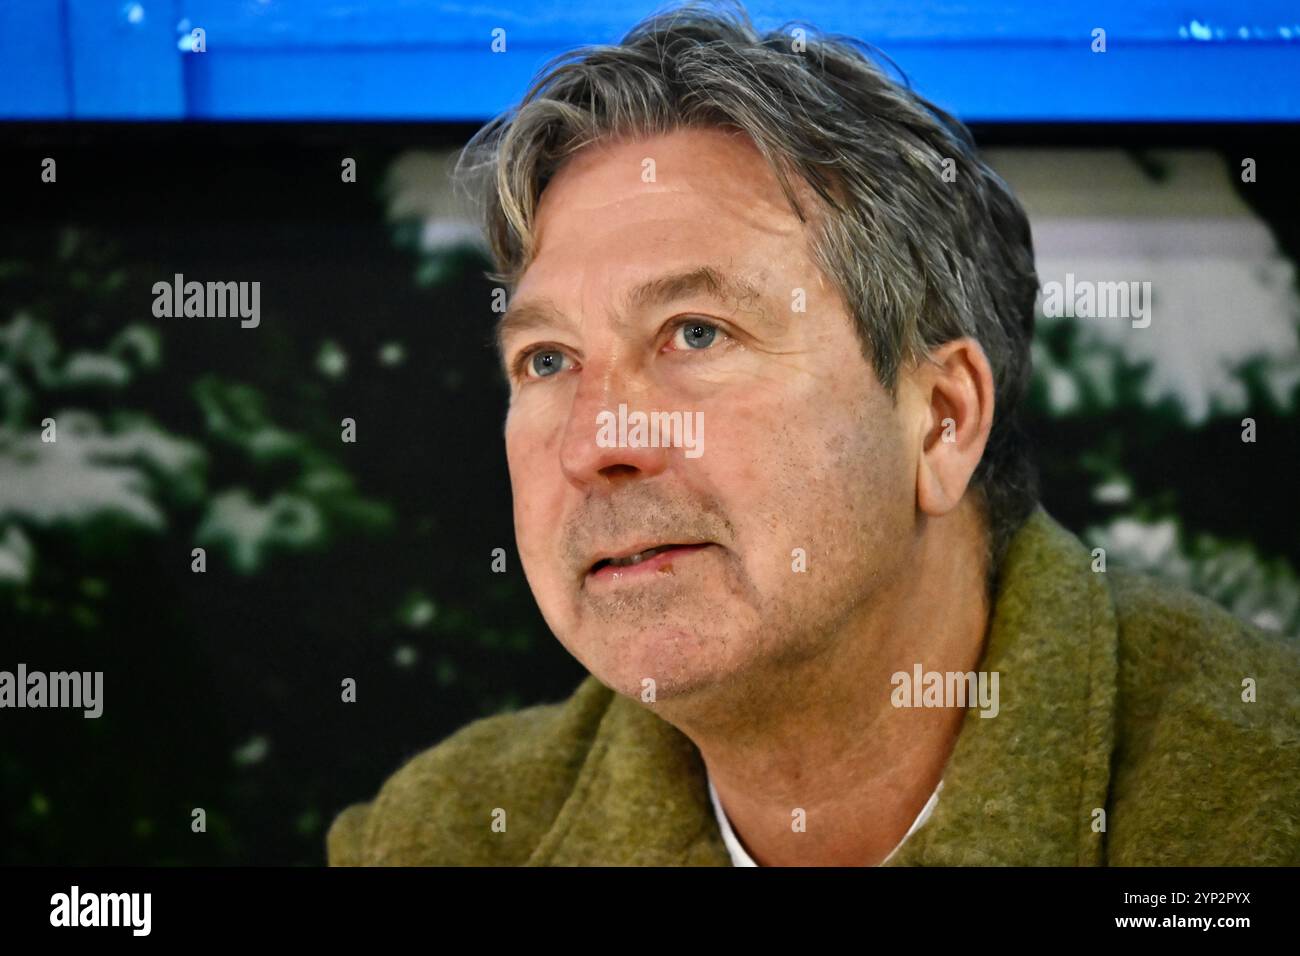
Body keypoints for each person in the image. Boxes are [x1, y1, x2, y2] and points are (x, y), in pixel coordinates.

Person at [328, 1, 1300, 866]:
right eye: (546, 358)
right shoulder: (433, 835)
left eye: (695, 332)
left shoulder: (1262, 801)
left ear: (942, 417)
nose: (593, 443)